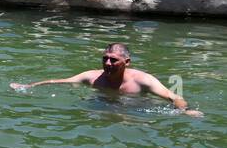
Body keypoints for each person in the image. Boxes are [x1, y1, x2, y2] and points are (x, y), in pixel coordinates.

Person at [11, 42, 202, 115]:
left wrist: (187, 111)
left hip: (136, 109)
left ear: (126, 62)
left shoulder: (143, 80)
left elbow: (173, 97)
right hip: (104, 105)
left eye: (114, 60)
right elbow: (58, 81)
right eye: (105, 59)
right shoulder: (92, 77)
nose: (108, 64)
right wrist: (28, 86)